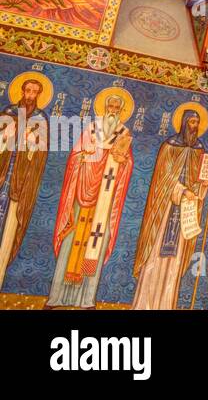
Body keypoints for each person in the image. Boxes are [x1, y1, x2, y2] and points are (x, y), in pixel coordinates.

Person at [47, 88, 133, 308]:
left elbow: (127, 165)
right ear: (105, 108)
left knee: (95, 244)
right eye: (110, 106)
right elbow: (76, 156)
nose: (112, 111)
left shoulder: (124, 134)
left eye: (116, 108)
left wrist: (121, 161)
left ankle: (86, 300)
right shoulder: (92, 129)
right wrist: (89, 155)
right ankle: (57, 297)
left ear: (122, 111)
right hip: (81, 194)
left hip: (103, 201)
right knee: (71, 241)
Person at [131, 108, 208, 309]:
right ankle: (144, 304)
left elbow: (197, 181)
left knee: (175, 259)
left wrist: (203, 186)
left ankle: (166, 304)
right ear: (183, 123)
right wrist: (182, 190)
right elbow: (162, 180)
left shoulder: (199, 150)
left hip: (185, 211)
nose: (195, 126)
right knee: (156, 253)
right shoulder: (169, 146)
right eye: (192, 122)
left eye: (197, 122)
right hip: (165, 211)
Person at [0, 74, 50, 290]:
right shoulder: (9, 113)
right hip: (4, 173)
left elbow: (41, 152)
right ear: (22, 91)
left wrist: (31, 142)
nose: (30, 95)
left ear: (39, 94)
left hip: (20, 182)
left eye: (34, 92)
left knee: (8, 227)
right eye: (27, 90)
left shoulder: (40, 118)